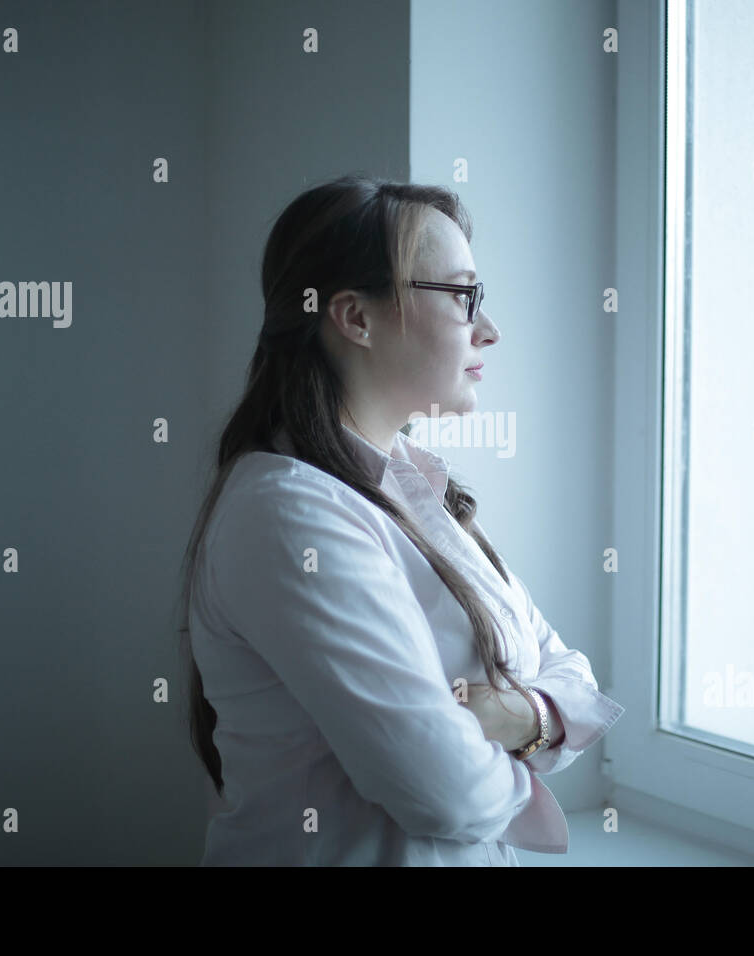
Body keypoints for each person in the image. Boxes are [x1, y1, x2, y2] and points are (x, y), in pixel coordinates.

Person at [176, 174, 624, 865]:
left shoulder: (415, 486)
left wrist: (526, 718)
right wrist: (522, 747)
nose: (489, 329)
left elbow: (568, 671)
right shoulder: (287, 514)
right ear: (355, 318)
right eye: (462, 295)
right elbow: (443, 791)